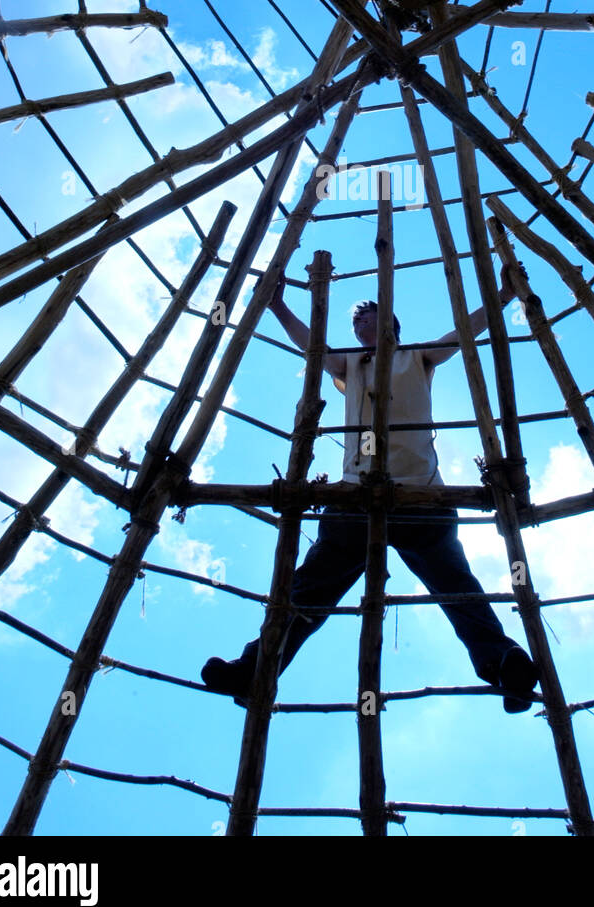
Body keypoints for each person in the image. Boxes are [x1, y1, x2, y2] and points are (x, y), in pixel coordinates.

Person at [201, 266, 540, 713]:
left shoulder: (416, 356)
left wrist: (502, 295)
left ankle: (505, 665)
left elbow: (462, 333)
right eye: (356, 321)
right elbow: (314, 347)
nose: (360, 323)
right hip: (355, 496)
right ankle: (255, 670)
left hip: (422, 496)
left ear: (391, 324)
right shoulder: (351, 364)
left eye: (368, 316)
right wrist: (278, 306)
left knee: (457, 589)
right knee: (307, 592)